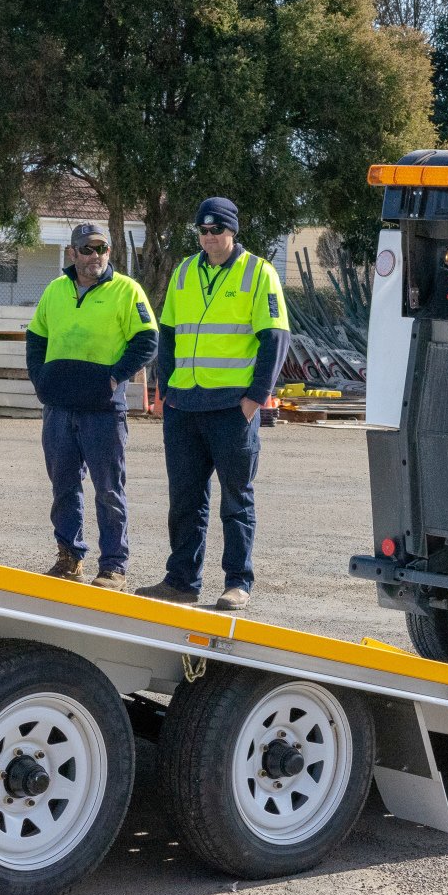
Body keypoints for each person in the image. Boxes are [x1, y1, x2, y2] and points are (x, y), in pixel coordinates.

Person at [136, 197, 289, 611]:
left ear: (232, 231)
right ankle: (181, 581)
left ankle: (238, 582)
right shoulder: (185, 270)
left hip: (230, 409)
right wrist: (165, 389)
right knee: (184, 499)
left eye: (217, 231)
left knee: (236, 499)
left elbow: (275, 339)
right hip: (185, 406)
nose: (209, 238)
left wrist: (255, 399)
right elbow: (167, 332)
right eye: (203, 232)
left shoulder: (259, 273)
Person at [26, 223, 158, 591]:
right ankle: (69, 557)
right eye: (86, 249)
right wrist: (41, 379)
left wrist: (114, 378)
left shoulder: (127, 291)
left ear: (110, 252)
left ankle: (113, 566)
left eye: (101, 248)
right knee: (63, 486)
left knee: (108, 489)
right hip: (59, 409)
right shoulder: (55, 291)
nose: (94, 255)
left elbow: (147, 341)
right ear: (72, 253)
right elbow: (36, 337)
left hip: (102, 410)